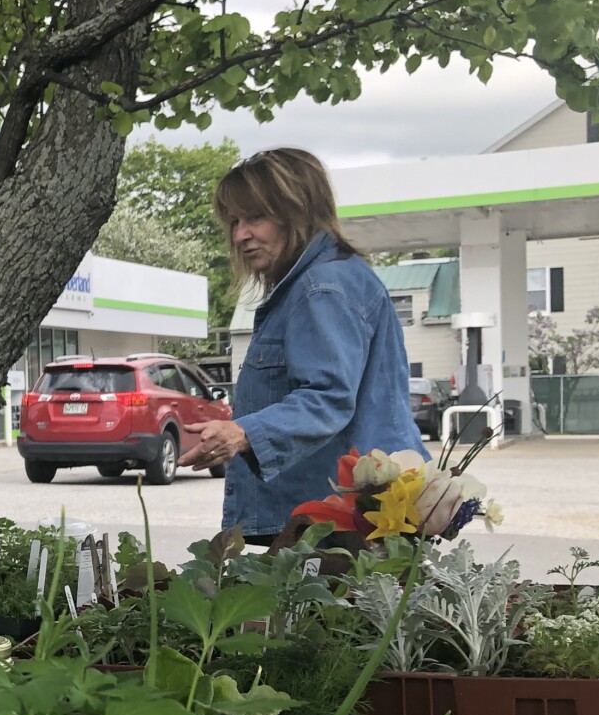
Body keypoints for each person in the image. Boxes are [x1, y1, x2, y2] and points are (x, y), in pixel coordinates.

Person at [180, 148, 425, 537]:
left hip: (339, 522)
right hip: (354, 513)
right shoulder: (329, 280)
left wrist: (243, 433)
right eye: (235, 221)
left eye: (256, 217)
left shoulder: (322, 287)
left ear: (299, 211)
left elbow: (328, 396)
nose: (241, 234)